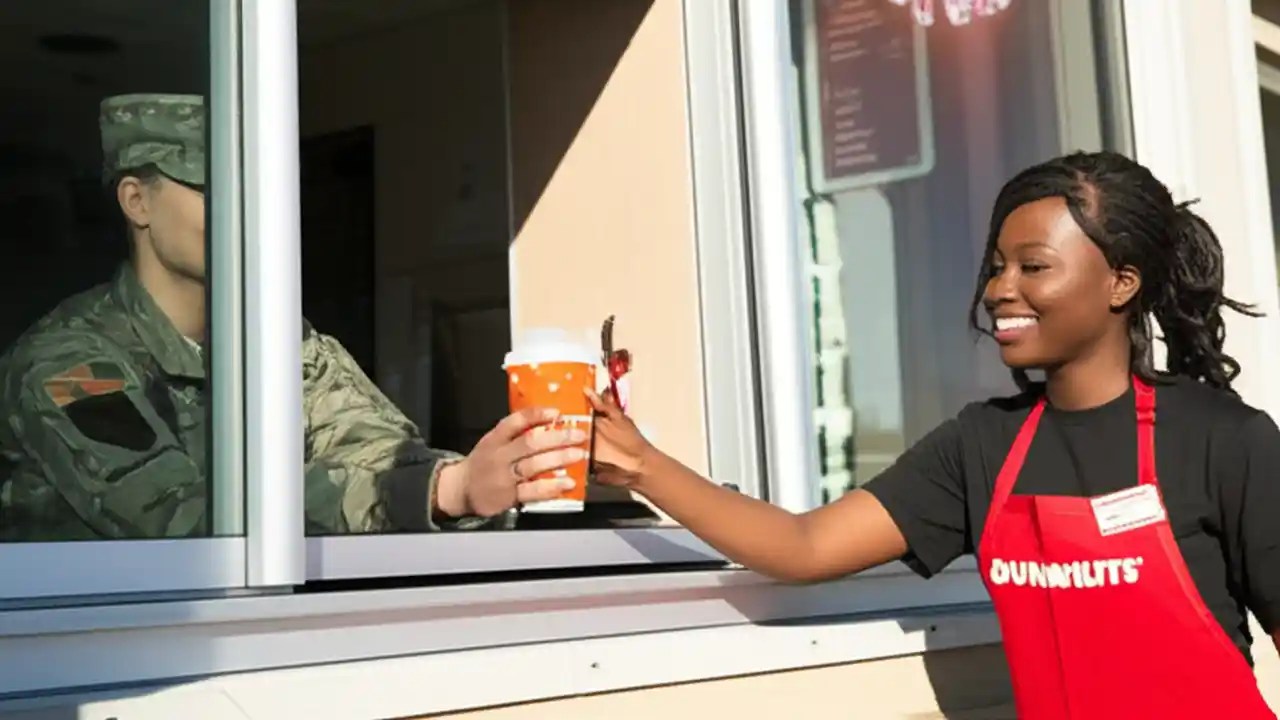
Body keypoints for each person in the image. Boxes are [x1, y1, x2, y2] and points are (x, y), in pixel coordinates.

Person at [588, 150, 1280, 718]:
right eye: (996, 266)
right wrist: (642, 464)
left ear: (1121, 283)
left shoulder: (1224, 440)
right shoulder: (982, 447)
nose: (998, 288)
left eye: (1031, 266)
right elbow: (802, 546)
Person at [0, 93, 581, 541]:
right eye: (212, 188)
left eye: (253, 188)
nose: (241, 209)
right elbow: (182, 519)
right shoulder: (69, 361)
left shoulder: (279, 343)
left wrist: (466, 484)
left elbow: (383, 456)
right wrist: (447, 491)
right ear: (137, 201)